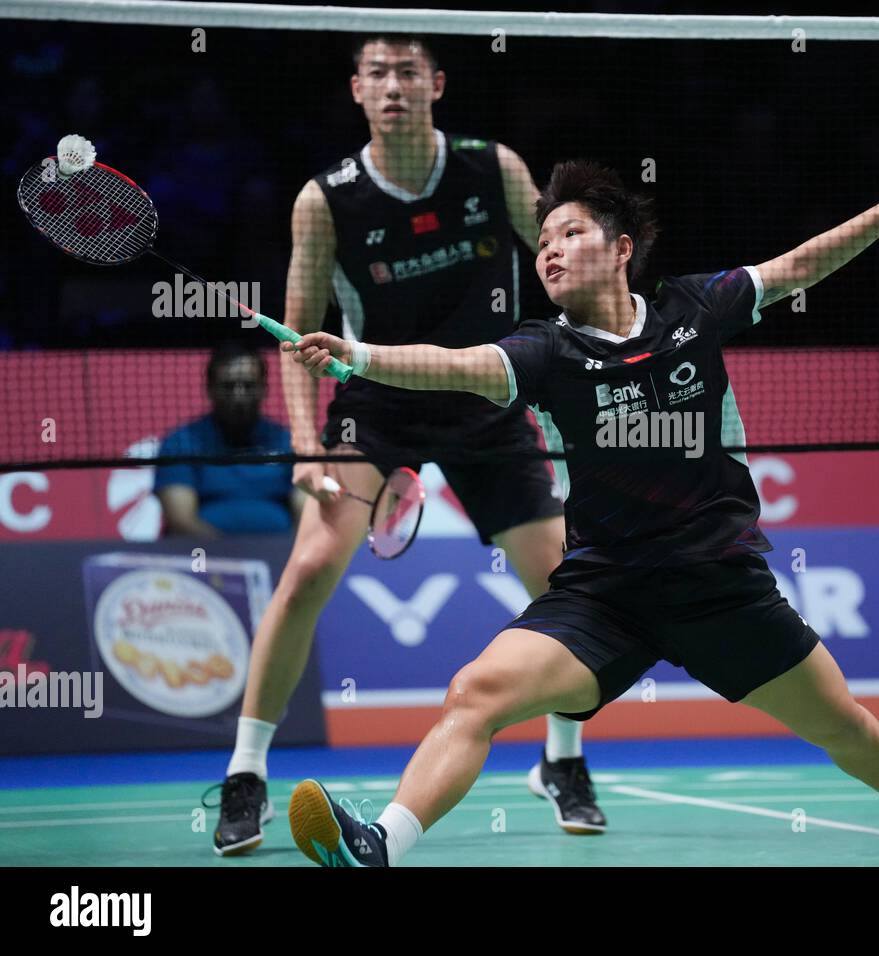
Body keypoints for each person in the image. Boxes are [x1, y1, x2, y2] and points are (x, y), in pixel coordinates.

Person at [283, 123, 879, 867]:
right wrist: (358, 356)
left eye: (572, 233)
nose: (552, 250)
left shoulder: (695, 311)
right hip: (606, 594)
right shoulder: (545, 352)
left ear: (622, 248)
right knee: (475, 693)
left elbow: (797, 269)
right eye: (544, 241)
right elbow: (454, 364)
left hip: (720, 586)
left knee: (844, 726)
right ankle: (379, 847)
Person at [209, 35, 603, 857]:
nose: (394, 86)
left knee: (571, 581)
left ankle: (562, 760)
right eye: (378, 74)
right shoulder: (326, 200)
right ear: (356, 90)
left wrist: (592, 344)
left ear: (437, 85)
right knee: (313, 564)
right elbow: (300, 329)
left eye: (409, 73)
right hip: (378, 401)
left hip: (484, 392)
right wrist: (310, 448)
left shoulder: (490, 168)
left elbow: (556, 260)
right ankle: (246, 772)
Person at [155, 341, 301, 536]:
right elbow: (181, 521)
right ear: (210, 389)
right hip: (206, 558)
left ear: (264, 389)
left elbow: (306, 515)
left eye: (248, 386)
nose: (239, 395)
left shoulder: (290, 442)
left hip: (281, 558)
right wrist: (234, 557)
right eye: (228, 386)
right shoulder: (181, 442)